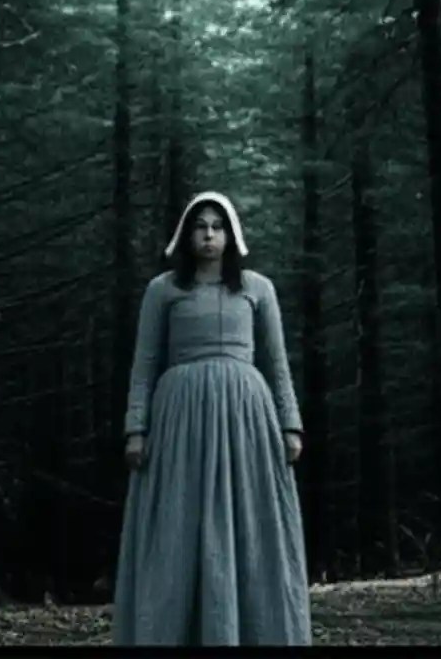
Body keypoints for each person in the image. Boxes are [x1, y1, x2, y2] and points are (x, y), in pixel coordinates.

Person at [110, 191, 312, 646]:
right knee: (178, 528)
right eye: (200, 226)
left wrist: (290, 424)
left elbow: (277, 361)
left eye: (216, 226)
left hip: (247, 421)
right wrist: (136, 428)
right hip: (179, 420)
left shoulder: (258, 288)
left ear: (230, 234)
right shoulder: (163, 289)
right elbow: (144, 363)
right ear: (186, 234)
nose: (208, 234)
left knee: (249, 528)